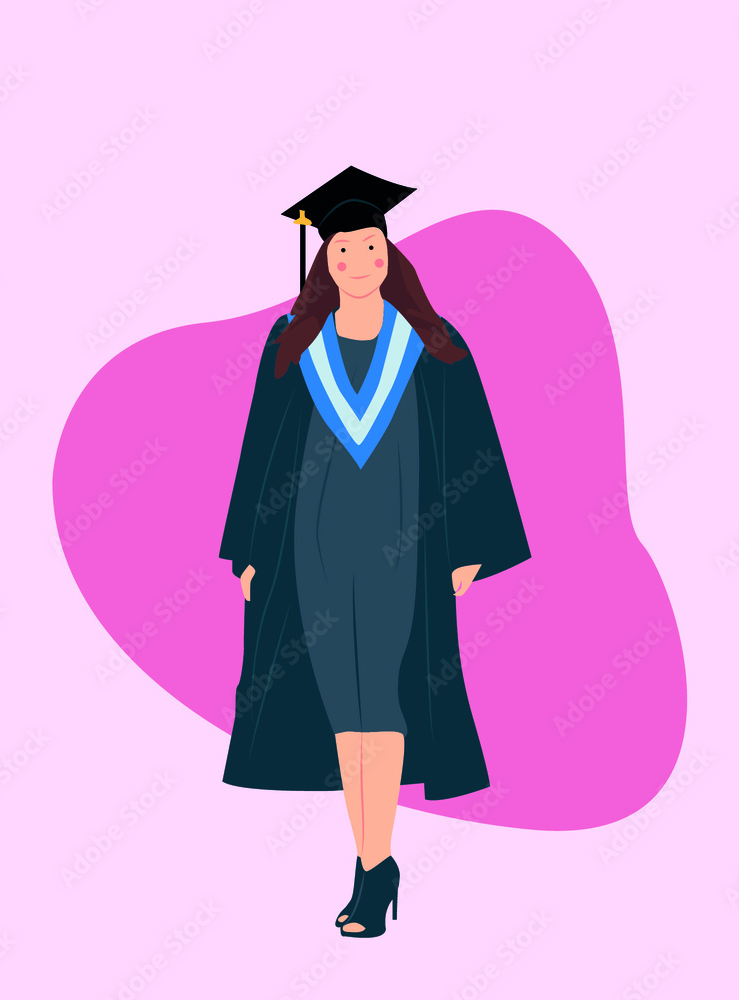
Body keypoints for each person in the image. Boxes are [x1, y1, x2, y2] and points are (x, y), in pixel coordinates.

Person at [219, 166, 530, 937]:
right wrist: (252, 548)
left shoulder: (431, 339)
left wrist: (470, 548)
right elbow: (264, 446)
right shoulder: (293, 344)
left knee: (383, 702)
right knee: (339, 704)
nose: (360, 260)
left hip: (406, 546)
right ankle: (374, 863)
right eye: (344, 250)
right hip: (312, 544)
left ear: (391, 251)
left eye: (372, 244)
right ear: (324, 260)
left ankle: (371, 866)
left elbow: (471, 443)